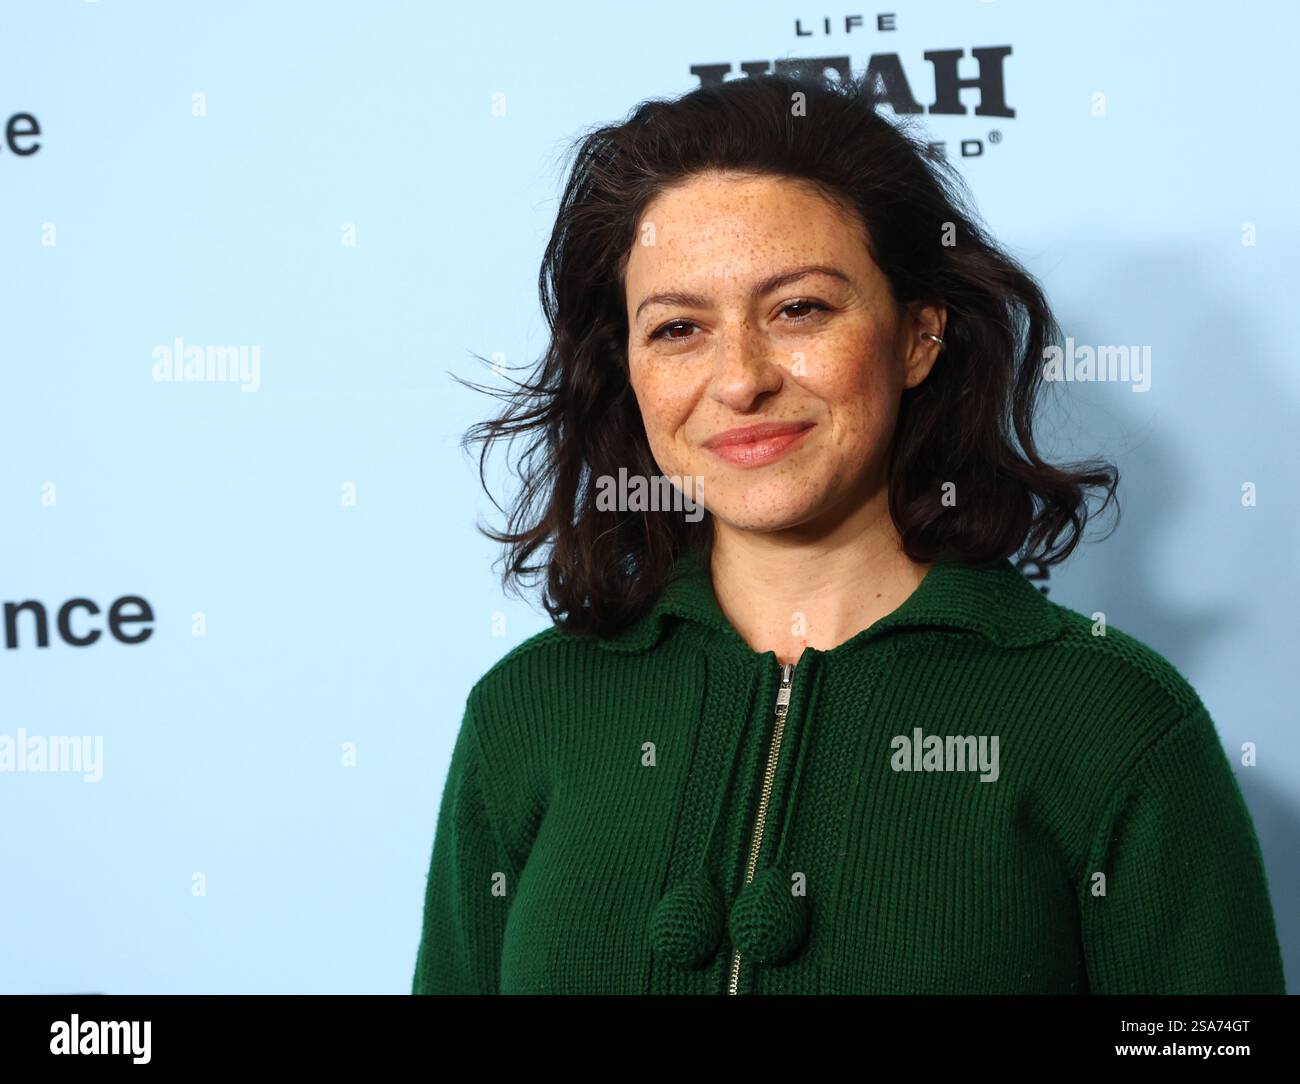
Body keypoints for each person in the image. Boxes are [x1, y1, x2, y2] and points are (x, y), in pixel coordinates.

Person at [411, 70, 1286, 994]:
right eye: (677, 328)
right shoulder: (525, 713)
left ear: (920, 336)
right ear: (626, 368)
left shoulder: (1118, 721)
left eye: (800, 309)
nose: (740, 379)